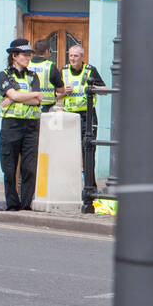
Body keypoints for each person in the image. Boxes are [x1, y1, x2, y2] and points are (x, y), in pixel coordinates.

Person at [0, 39, 45, 211]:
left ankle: (25, 205)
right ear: (14, 56)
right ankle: (12, 204)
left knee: (29, 168)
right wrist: (24, 96)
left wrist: (16, 96)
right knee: (9, 168)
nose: (28, 58)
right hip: (11, 126)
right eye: (25, 55)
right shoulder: (4, 75)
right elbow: (16, 96)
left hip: (31, 126)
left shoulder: (33, 76)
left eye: (29, 54)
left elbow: (37, 99)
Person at [61, 44, 105, 212]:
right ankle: (70, 189)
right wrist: (63, 92)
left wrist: (91, 89)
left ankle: (90, 188)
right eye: (70, 56)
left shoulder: (90, 70)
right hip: (69, 117)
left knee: (88, 152)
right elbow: (54, 95)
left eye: (76, 56)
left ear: (82, 57)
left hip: (87, 116)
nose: (72, 59)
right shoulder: (63, 71)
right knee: (70, 154)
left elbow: (104, 89)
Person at [30, 36, 65, 112]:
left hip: (29, 106)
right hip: (47, 108)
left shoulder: (27, 65)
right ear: (46, 51)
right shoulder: (50, 66)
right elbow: (61, 90)